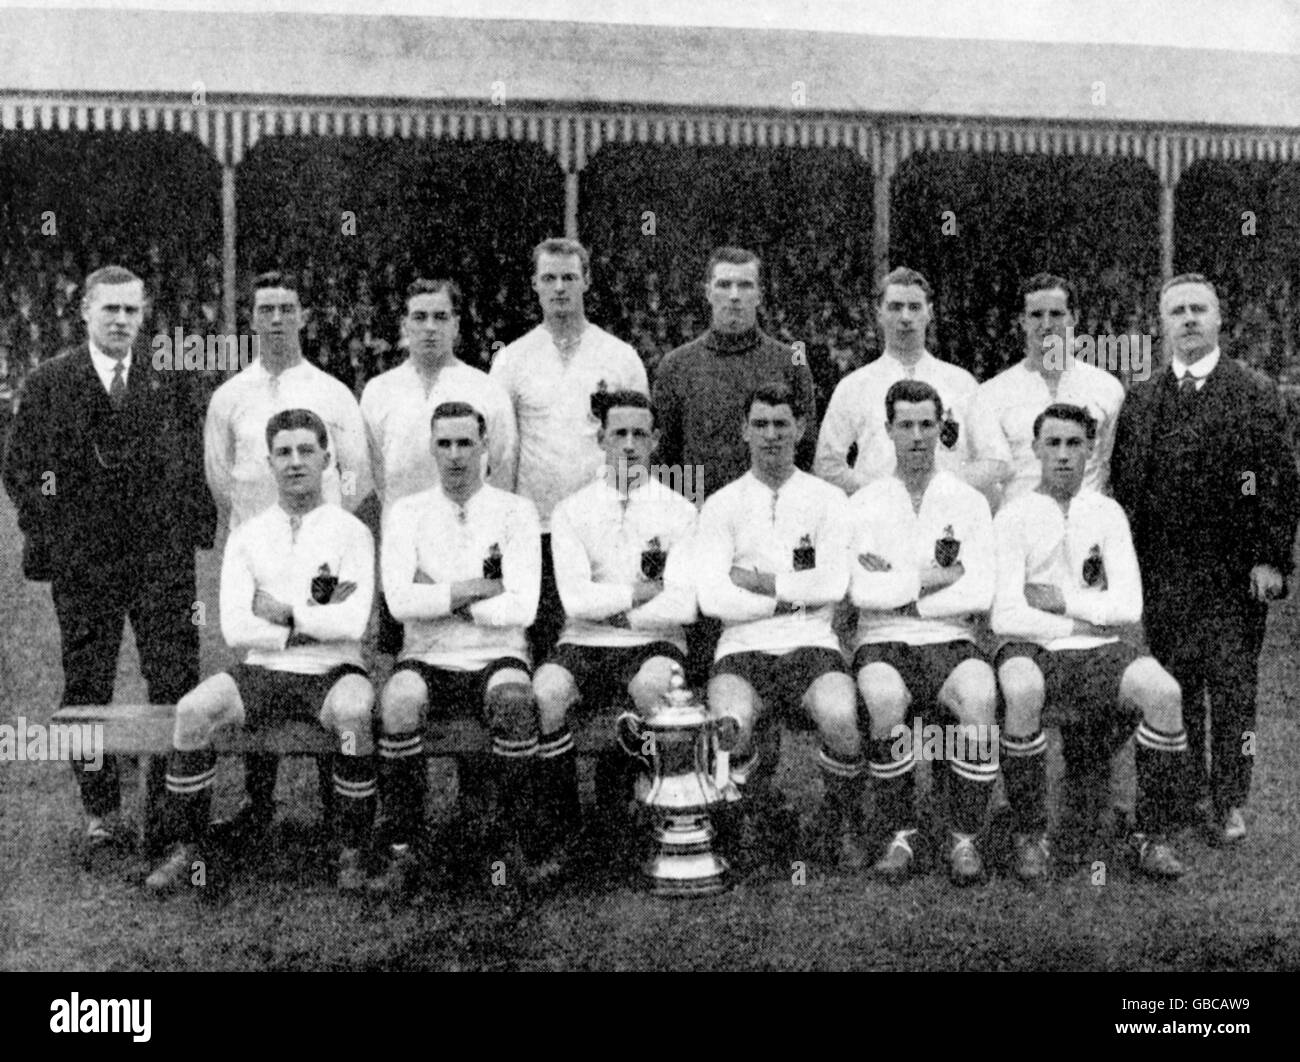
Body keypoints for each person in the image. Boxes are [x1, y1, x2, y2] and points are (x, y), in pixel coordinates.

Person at [2, 265, 216, 852]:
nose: (121, 320)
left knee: (174, 679)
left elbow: (196, 457)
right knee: (87, 685)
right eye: (109, 310)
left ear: (144, 313)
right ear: (86, 313)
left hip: (160, 562)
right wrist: (53, 528)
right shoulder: (50, 381)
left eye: (131, 310)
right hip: (85, 566)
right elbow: (22, 469)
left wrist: (188, 526)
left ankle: (173, 808)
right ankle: (100, 811)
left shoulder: (169, 378)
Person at [144, 409, 375, 893]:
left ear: (327, 458)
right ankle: (188, 847)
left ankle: (352, 848)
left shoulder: (350, 531)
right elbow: (235, 628)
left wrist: (282, 613)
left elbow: (351, 623)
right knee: (193, 710)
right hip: (264, 670)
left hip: (334, 670)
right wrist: (310, 621)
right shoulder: (248, 535)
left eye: (306, 451)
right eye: (284, 453)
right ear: (269, 462)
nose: (295, 462)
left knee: (354, 715)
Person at [1112, 274, 1300, 844]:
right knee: (1179, 689)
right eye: (1177, 311)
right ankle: (1189, 791)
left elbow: (1278, 481)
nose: (1189, 319)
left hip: (1232, 575)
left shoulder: (1253, 390)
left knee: (1234, 692)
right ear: (1162, 324)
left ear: (1219, 320)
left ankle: (1228, 802)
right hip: (1164, 571)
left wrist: (1271, 559)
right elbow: (1126, 485)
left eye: (1199, 309)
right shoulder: (1142, 397)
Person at [204, 270, 373, 830]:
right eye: (265, 309)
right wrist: (261, 539)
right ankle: (258, 805)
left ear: (302, 315)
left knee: (325, 664)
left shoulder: (331, 393)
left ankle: (338, 813)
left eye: (286, 308)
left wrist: (333, 542)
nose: (276, 319)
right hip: (258, 553)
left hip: (322, 554)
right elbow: (220, 480)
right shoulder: (229, 396)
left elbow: (357, 478)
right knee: (262, 666)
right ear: (251, 319)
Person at [993, 403, 1191, 879]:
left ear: (1090, 449)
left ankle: (1153, 835)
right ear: (1036, 449)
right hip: (1029, 646)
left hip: (1099, 648)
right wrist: (1077, 623)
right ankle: (1029, 834)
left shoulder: (1107, 513)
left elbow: (1129, 607)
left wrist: (1062, 601)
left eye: (1075, 444)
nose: (1063, 455)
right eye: (1054, 443)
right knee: (1021, 690)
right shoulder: (1013, 515)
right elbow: (1006, 614)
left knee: (1165, 693)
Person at [371, 401, 542, 897]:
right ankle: (405, 847)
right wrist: (475, 588)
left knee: (514, 701)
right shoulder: (406, 513)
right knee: (399, 702)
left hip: (498, 653)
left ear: (485, 447)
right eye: (444, 443)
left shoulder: (516, 512)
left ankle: (507, 847)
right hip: (425, 656)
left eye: (465, 442)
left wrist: (439, 593)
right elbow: (400, 602)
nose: (455, 455)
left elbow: (524, 606)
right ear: (430, 448)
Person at [694, 382, 860, 871]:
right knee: (730, 727)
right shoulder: (721, 504)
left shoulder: (828, 500)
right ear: (744, 431)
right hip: (741, 647)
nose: (771, 435)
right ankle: (754, 820)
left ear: (801, 429)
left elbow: (832, 583)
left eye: (781, 424)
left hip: (812, 643)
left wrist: (756, 583)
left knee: (839, 715)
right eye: (760, 425)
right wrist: (791, 596)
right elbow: (713, 597)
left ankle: (841, 823)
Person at [531, 390, 699, 871]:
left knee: (654, 689)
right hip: (583, 641)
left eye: (639, 434)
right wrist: (641, 594)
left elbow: (684, 603)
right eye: (618, 433)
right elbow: (575, 601)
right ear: (600, 438)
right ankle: (565, 830)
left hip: (655, 642)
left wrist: (618, 610)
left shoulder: (680, 511)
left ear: (656, 441)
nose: (628, 445)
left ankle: (659, 816)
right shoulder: (570, 511)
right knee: (545, 692)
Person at [844, 380, 998, 883]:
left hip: (953, 637)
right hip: (881, 637)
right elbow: (862, 593)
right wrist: (932, 579)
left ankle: (965, 836)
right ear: (888, 429)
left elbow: (979, 590)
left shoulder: (968, 500)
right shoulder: (864, 502)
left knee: (978, 695)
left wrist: (895, 581)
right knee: (884, 697)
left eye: (926, 424)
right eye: (905, 425)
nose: (916, 435)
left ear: (941, 429)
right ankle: (899, 834)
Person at [489, 238, 647, 666]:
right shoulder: (511, 359)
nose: (560, 287)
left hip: (602, 521)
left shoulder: (620, 357)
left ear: (586, 282)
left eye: (569, 277)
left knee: (605, 630)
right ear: (535, 285)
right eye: (549, 278)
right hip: (537, 524)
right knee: (544, 641)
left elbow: (638, 447)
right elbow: (502, 453)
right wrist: (506, 528)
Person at [361, 278, 516, 653]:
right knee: (398, 674)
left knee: (475, 664)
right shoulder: (378, 391)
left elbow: (503, 474)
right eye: (420, 317)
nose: (430, 326)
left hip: (469, 558)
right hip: (404, 560)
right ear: (405, 325)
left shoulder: (485, 390)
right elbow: (379, 478)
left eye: (440, 316)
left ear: (456, 324)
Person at [652, 246, 818, 498]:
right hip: (700, 514)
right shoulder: (676, 365)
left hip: (769, 511)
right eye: (724, 285)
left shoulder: (790, 363)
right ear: (708, 292)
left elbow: (804, 449)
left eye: (745, 285)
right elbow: (665, 456)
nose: (734, 295)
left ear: (760, 295)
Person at [814, 267, 981, 495]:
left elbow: (996, 460)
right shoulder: (854, 386)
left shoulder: (961, 383)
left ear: (929, 312)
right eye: (895, 307)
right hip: (878, 517)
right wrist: (879, 492)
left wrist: (943, 489)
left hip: (944, 515)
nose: (905, 318)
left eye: (914, 307)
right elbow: (826, 464)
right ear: (879, 313)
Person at [968, 273, 1125, 509]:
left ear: (1074, 318)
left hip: (1087, 525)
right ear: (1022, 321)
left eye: (1056, 314)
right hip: (1021, 529)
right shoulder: (992, 394)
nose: (1047, 325)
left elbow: (1108, 466)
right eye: (1036, 315)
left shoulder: (1107, 387)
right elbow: (993, 476)